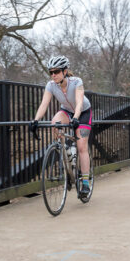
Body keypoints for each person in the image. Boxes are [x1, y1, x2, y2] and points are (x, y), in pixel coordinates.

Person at [29, 56, 93, 196]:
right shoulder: (50, 85)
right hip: (66, 111)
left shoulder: (77, 82)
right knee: (54, 122)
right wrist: (35, 120)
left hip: (82, 112)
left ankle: (86, 183)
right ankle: (67, 159)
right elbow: (44, 104)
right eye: (50, 72)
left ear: (64, 71)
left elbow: (79, 102)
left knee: (82, 147)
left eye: (56, 71)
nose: (53, 75)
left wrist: (76, 117)